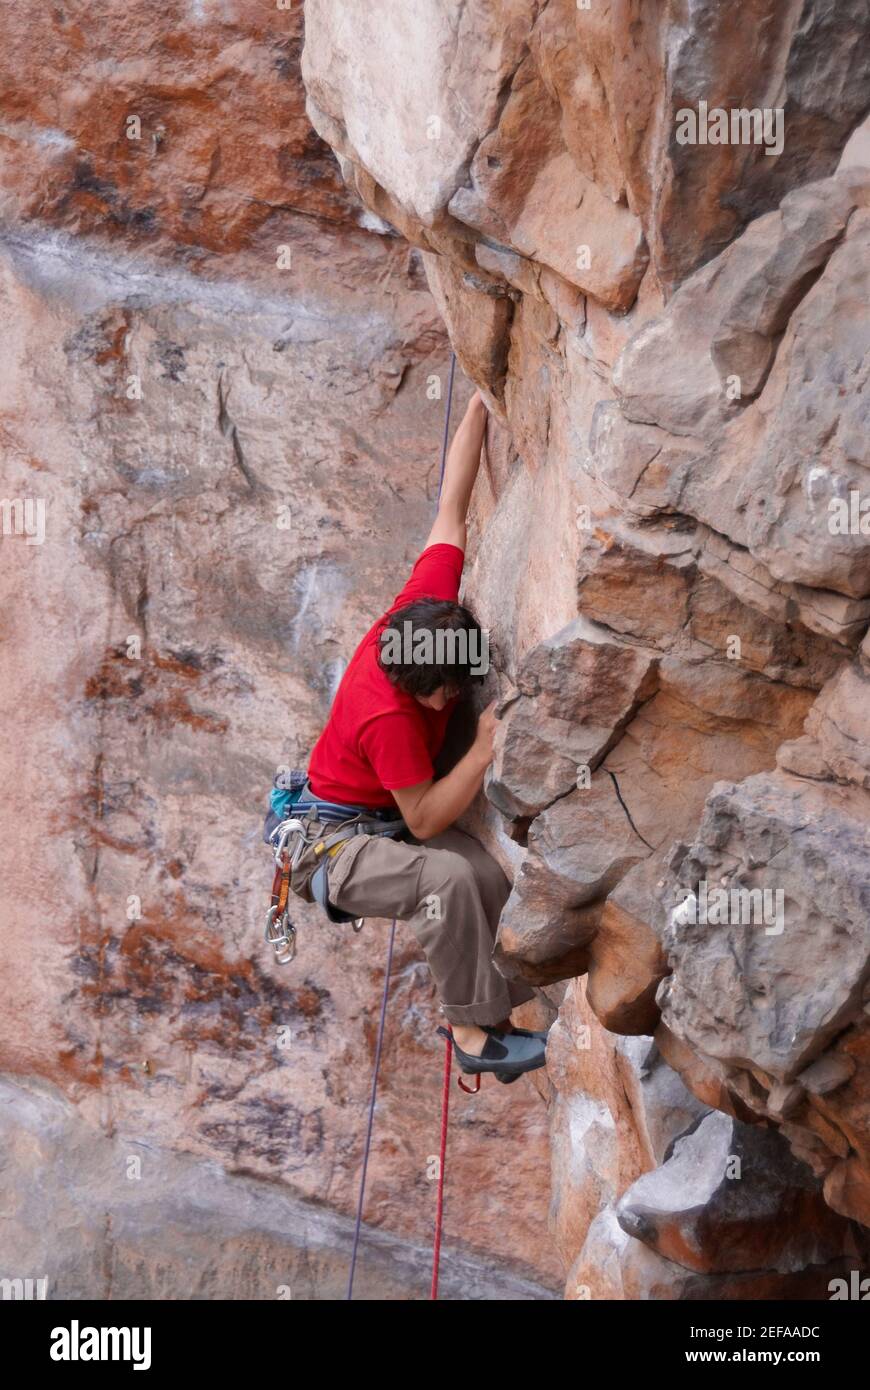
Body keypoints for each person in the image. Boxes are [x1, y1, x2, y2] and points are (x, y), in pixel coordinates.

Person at [293, 391, 547, 1080]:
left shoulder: (424, 610)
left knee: (484, 872)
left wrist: (478, 407)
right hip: (334, 846)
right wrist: (483, 749)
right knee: (446, 880)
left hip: (376, 822)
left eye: (458, 683)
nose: (452, 699)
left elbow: (451, 508)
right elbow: (427, 814)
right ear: (409, 684)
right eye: (440, 694)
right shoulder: (389, 715)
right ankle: (470, 1033)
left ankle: (498, 1011)